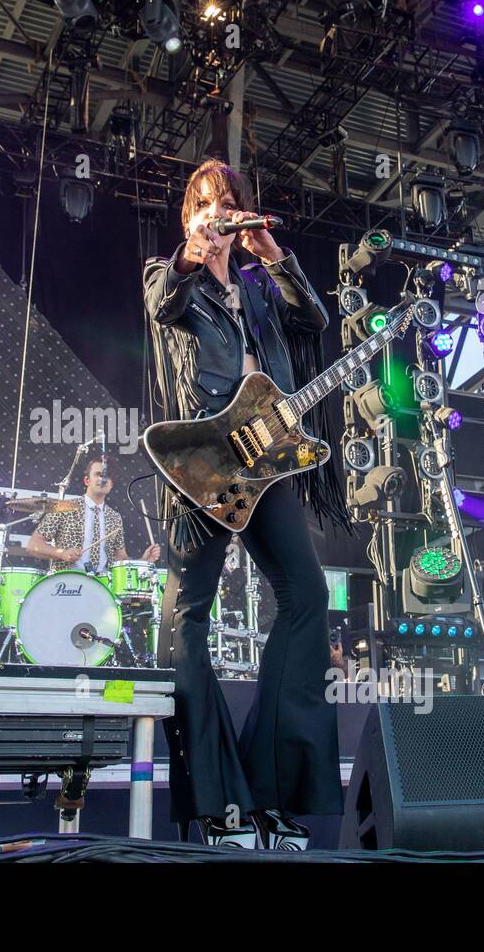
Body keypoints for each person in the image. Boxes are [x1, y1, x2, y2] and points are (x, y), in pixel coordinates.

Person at [143, 158, 344, 850]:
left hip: (268, 463)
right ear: (191, 216)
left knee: (306, 596)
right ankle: (218, 804)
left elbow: (314, 321)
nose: (218, 212)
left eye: (228, 203)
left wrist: (277, 258)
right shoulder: (171, 276)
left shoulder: (259, 290)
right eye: (205, 203)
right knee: (188, 616)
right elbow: (162, 304)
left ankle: (271, 795)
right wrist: (195, 250)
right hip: (201, 464)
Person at [26, 457, 160, 571]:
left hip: (100, 587)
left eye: (107, 476)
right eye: (98, 474)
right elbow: (33, 545)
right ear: (87, 480)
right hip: (66, 583)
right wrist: (61, 553)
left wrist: (143, 561)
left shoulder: (115, 517)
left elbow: (120, 558)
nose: (103, 479)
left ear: (111, 485)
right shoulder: (64, 507)